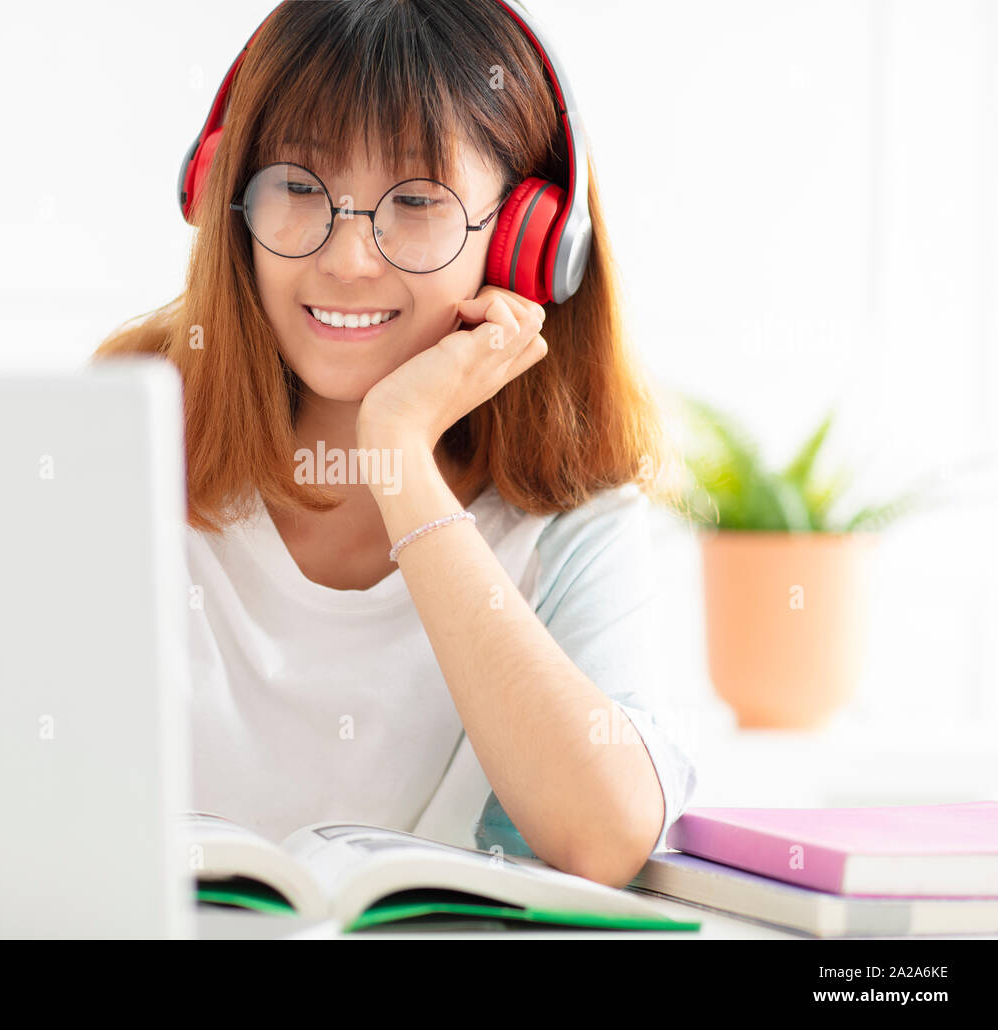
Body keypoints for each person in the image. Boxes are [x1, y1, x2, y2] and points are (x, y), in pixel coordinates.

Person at [94, 0, 696, 888]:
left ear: (532, 238)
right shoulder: (124, 439)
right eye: (299, 187)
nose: (346, 261)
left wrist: (400, 456)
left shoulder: (573, 522)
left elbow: (601, 836)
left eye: (416, 202)